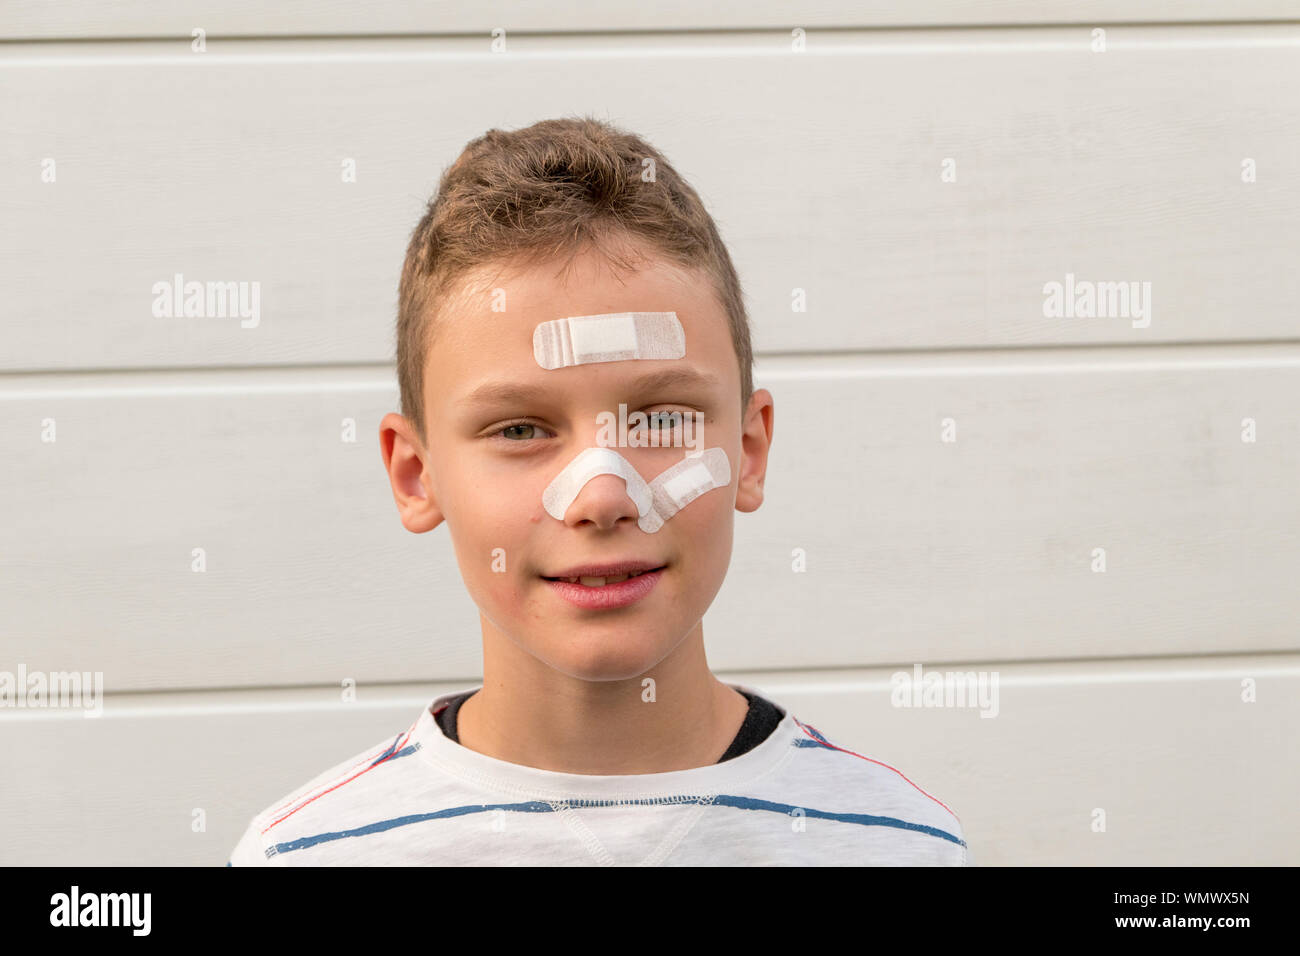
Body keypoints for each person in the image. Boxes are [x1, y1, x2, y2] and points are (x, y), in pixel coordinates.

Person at [227, 116, 969, 866]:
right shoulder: (300, 855)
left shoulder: (904, 848)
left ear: (748, 450)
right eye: (519, 430)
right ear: (415, 475)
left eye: (661, 418)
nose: (603, 498)